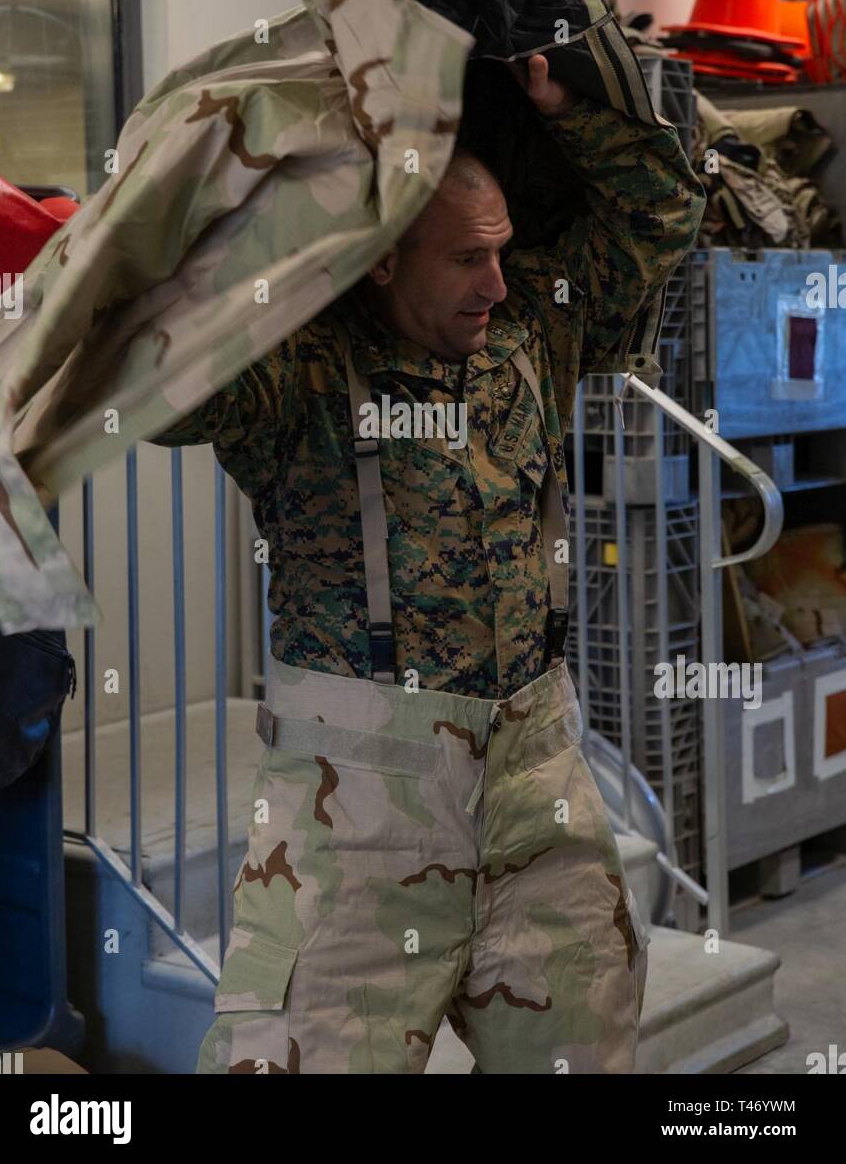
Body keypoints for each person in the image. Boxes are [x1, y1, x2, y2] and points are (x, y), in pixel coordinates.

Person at [150, 54, 705, 1074]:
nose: (496, 282)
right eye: (463, 260)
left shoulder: (527, 329)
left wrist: (566, 106)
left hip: (534, 772)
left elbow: (657, 214)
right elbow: (157, 378)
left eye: (500, 251)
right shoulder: (297, 368)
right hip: (355, 805)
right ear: (375, 257)